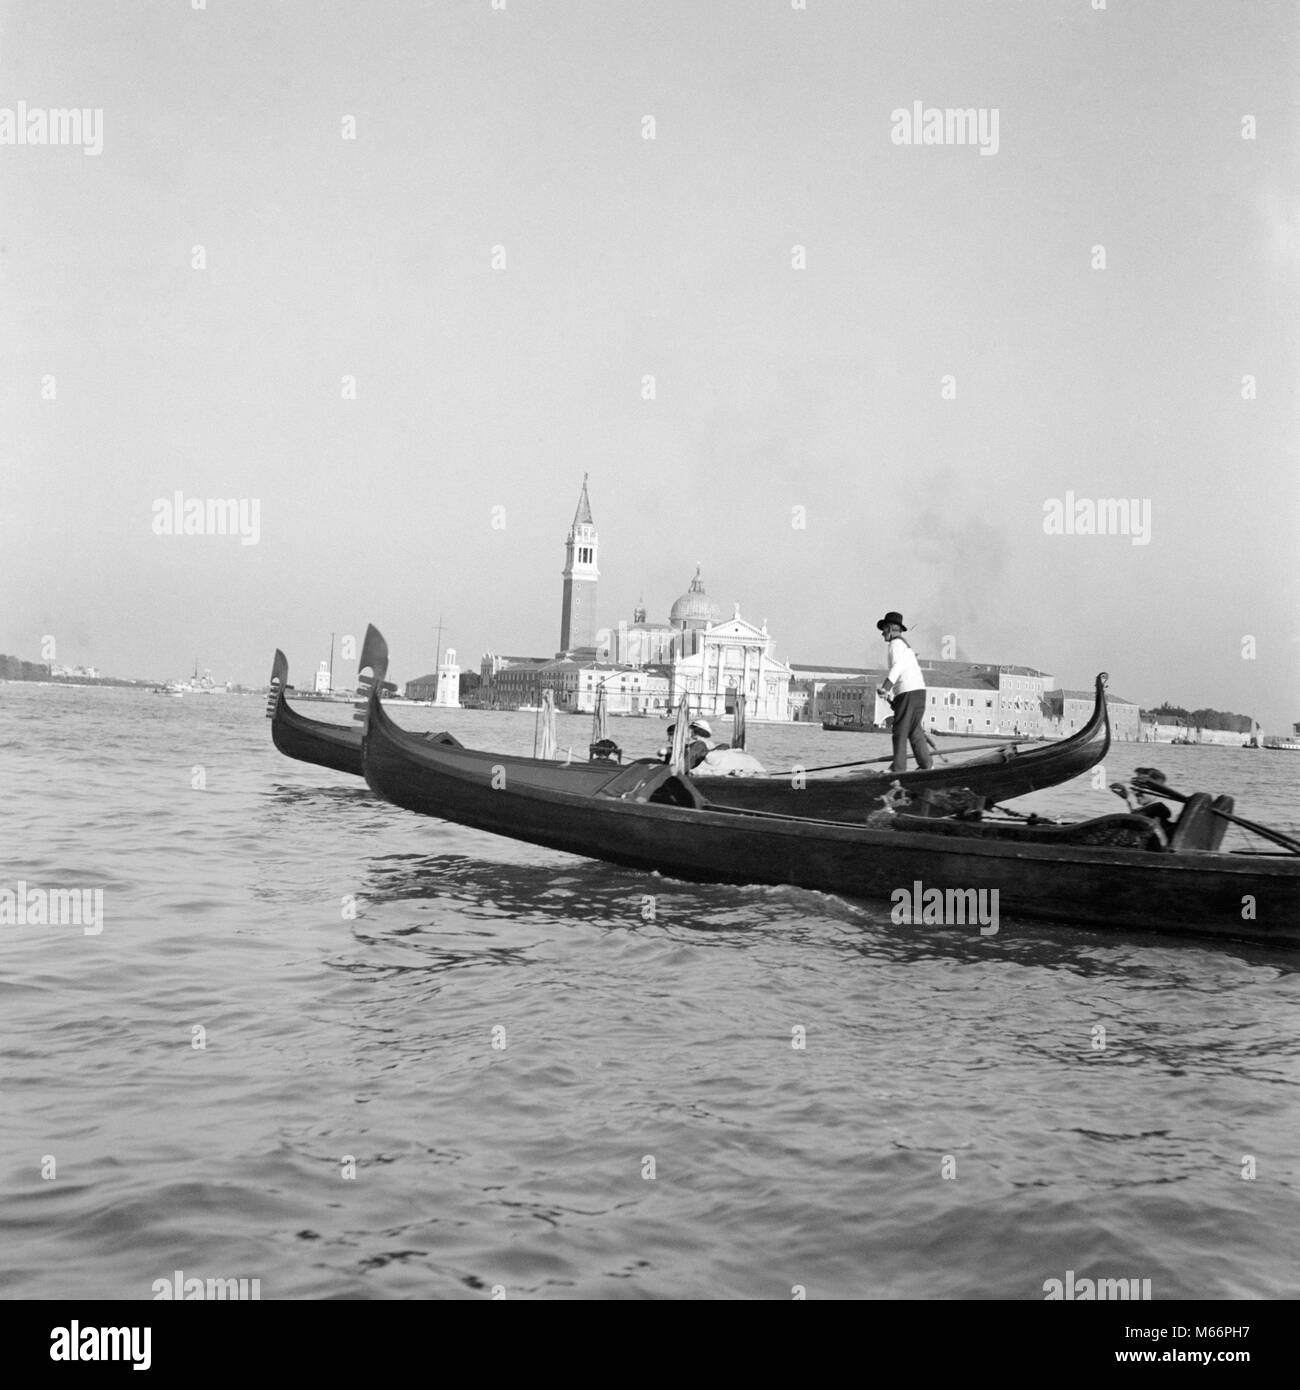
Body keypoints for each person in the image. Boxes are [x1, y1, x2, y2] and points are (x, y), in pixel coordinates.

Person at [875, 611, 933, 773]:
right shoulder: (905, 646)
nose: (882, 633)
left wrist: (885, 687)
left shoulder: (895, 645)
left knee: (899, 731)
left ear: (891, 629)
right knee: (915, 731)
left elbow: (898, 667)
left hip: (907, 693)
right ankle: (927, 766)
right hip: (919, 693)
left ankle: (899, 769)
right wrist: (890, 693)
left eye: (884, 629)